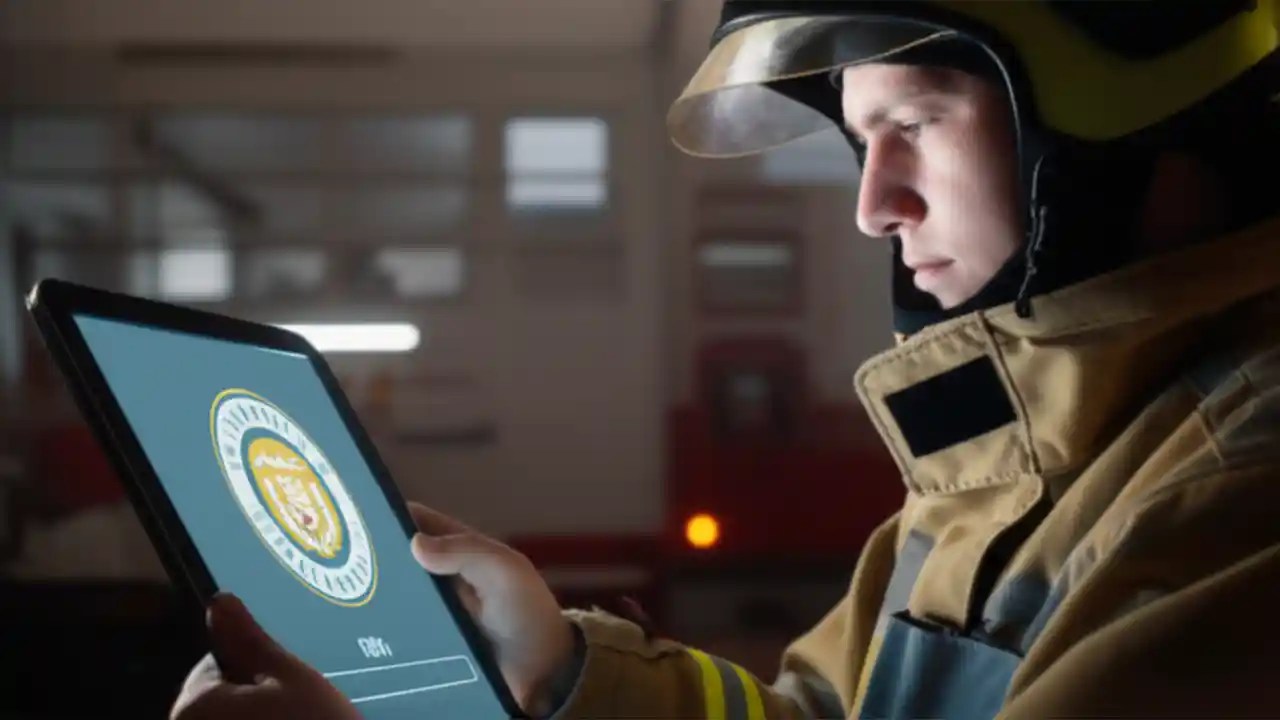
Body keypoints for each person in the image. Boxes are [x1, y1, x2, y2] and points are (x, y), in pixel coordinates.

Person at [172, 2, 1280, 718]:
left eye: (920, 121)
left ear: (1124, 114)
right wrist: (562, 668)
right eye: (860, 141)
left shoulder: (1238, 493)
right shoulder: (1013, 464)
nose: (871, 206)